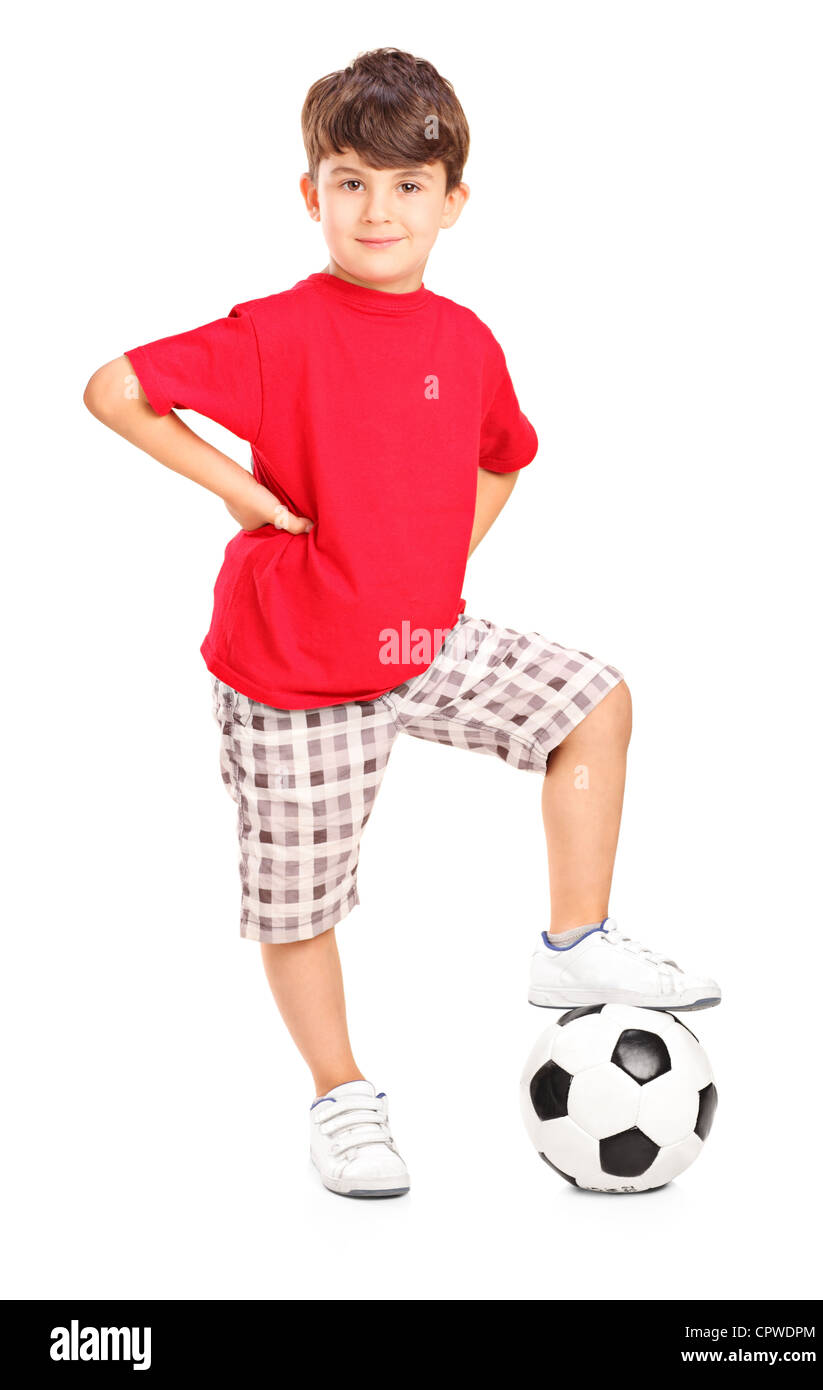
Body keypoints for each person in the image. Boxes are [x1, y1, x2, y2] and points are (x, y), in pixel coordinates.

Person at [83, 46, 721, 1201]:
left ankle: (571, 943)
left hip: (419, 642)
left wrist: (432, 560)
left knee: (595, 703)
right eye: (349, 181)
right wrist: (233, 486)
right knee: (303, 898)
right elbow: (115, 387)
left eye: (407, 185)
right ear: (310, 193)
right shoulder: (277, 332)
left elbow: (507, 457)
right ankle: (341, 1098)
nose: (378, 209)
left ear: (452, 201)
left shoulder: (464, 340)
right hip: (294, 670)